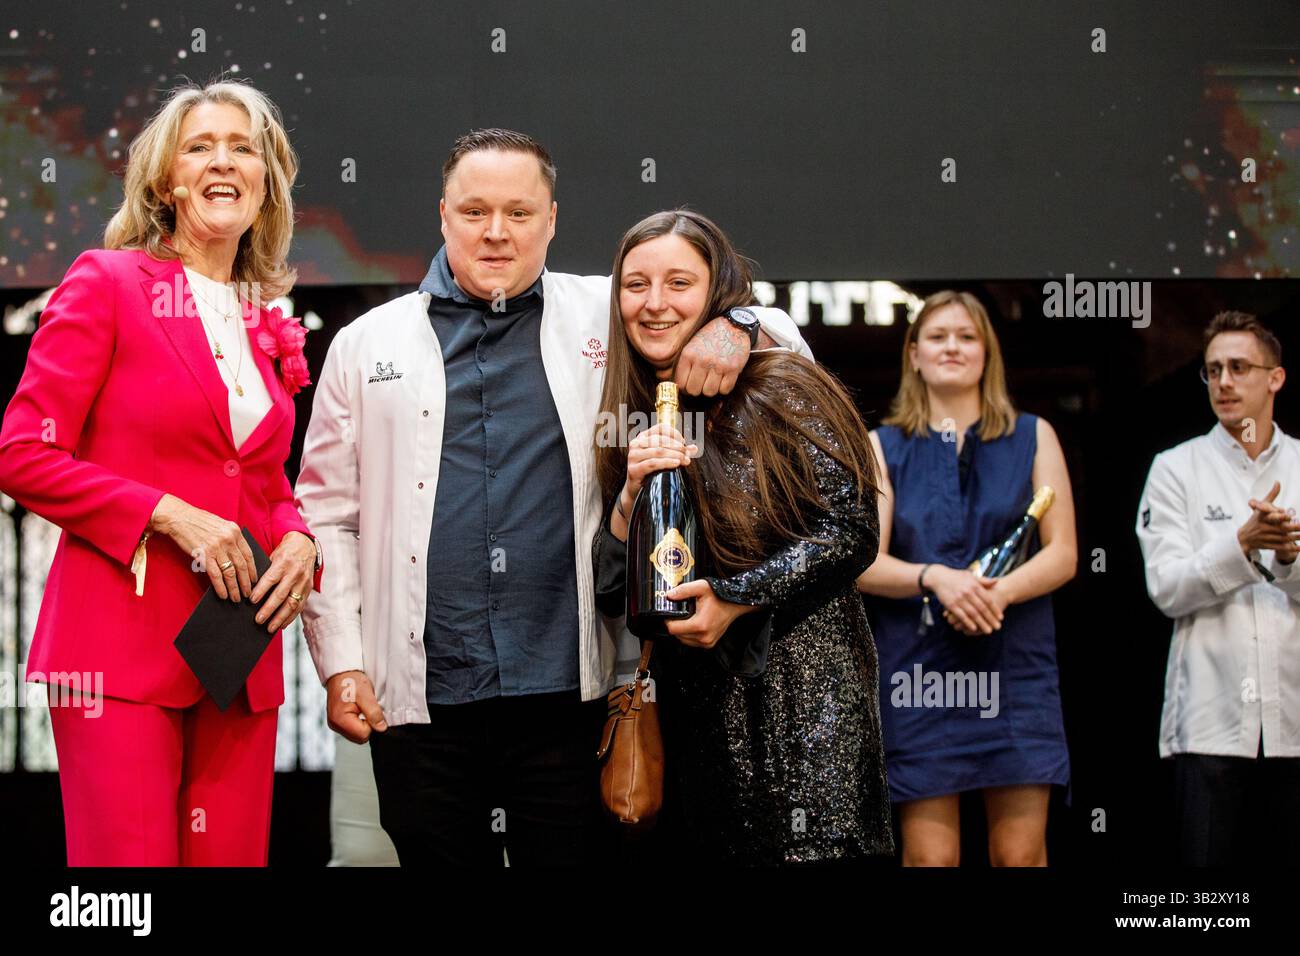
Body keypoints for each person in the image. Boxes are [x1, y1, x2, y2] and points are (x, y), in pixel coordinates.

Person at [294, 129, 808, 866]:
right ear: (443, 215)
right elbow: (326, 518)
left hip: (574, 693)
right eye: (475, 212)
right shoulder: (368, 343)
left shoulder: (603, 312)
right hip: (421, 697)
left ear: (553, 219)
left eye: (519, 212)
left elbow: (786, 339)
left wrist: (738, 324)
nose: (496, 232)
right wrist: (341, 661)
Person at [0, 79, 321, 866]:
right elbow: (22, 453)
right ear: (164, 179)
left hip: (238, 656)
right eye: (200, 146)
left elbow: (266, 484)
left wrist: (300, 540)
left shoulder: (266, 318)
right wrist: (168, 514)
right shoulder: (106, 283)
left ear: (267, 177)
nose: (223, 162)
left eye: (243, 147)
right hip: (117, 654)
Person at [592, 209, 892, 865]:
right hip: (695, 732)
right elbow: (614, 590)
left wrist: (734, 596)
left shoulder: (783, 385)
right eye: (635, 285)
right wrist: (628, 498)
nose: (654, 303)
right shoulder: (635, 413)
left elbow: (851, 531)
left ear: (718, 290)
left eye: (679, 283)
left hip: (807, 717)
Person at [855, 290, 1075, 867]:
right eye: (938, 336)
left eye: (967, 336)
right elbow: (864, 564)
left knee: (1021, 857)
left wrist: (995, 591)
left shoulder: (1035, 435)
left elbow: (1065, 554)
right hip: (920, 672)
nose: (952, 346)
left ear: (987, 353)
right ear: (915, 354)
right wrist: (937, 579)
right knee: (930, 859)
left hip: (1015, 668)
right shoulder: (882, 446)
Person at [1136, 311, 1300, 866]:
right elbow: (1165, 587)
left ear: (1275, 377)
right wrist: (1243, 543)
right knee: (1209, 901)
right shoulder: (1174, 468)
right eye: (1212, 371)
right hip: (1209, 721)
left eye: (1238, 367)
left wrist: (1286, 556)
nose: (1224, 382)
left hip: (1296, 723)